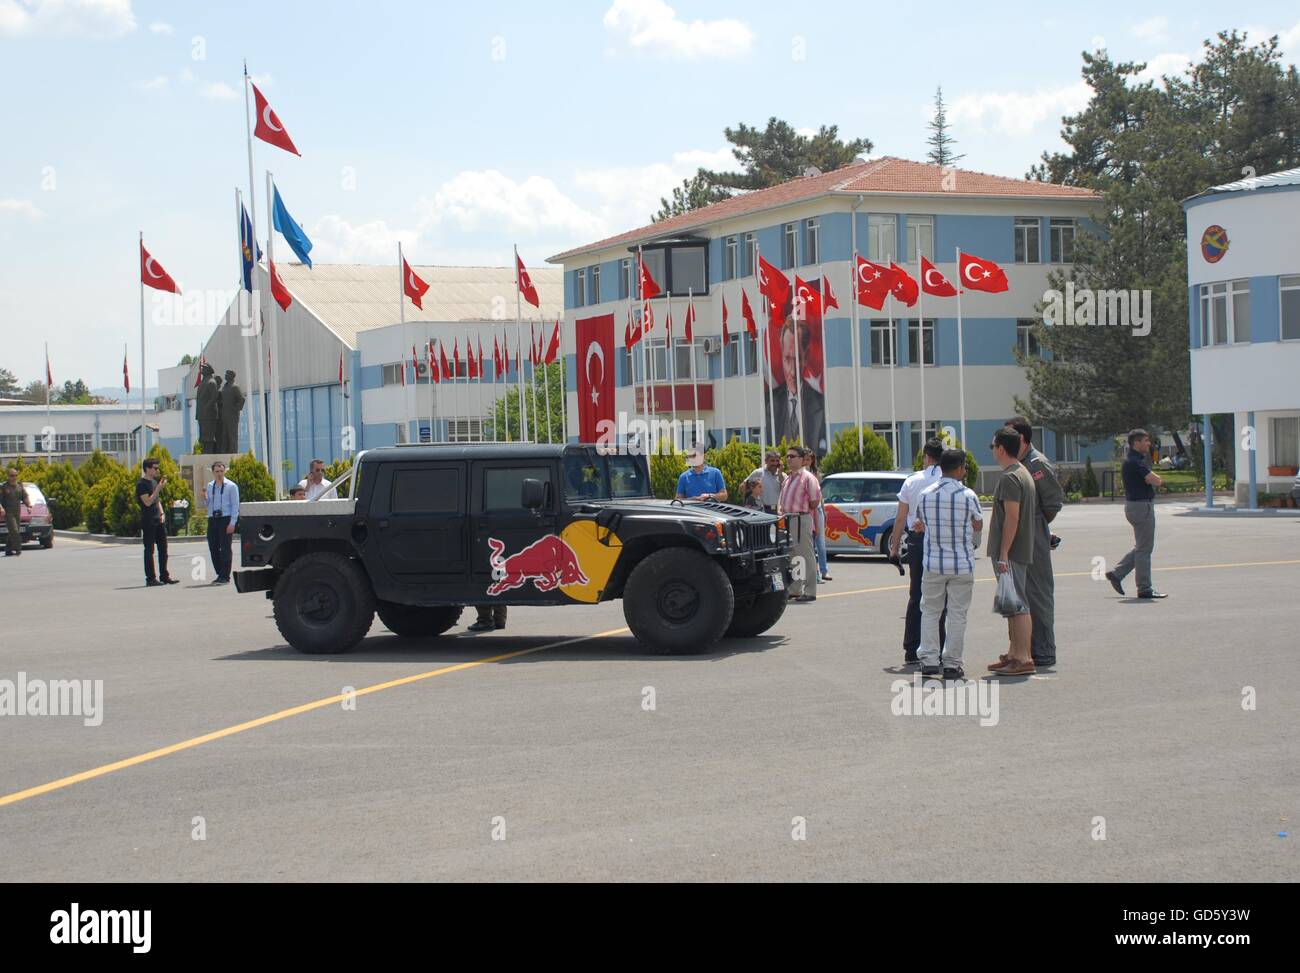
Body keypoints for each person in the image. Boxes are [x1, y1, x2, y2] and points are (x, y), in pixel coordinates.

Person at [913, 449, 983, 679]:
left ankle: (929, 660)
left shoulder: (925, 494)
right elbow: (978, 524)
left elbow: (920, 522)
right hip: (962, 563)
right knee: (957, 613)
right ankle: (952, 663)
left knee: (930, 611)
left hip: (933, 562)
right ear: (960, 468)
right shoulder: (969, 495)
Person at [1007, 416, 1064, 668]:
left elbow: (1052, 503)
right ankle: (1023, 650)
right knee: (1021, 595)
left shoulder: (1036, 464)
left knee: (1038, 594)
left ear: (1020, 438)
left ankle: (1043, 651)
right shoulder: (1017, 463)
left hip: (1034, 537)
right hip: (1020, 539)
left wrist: (1037, 526)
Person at [986, 427, 1037, 676]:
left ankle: (1023, 658)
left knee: (1018, 606)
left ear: (1001, 449)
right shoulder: (1021, 473)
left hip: (1012, 552)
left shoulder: (1009, 477)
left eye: (993, 446)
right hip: (1017, 550)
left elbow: (1012, 518)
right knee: (1013, 604)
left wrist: (1004, 551)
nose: (992, 451)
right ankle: (1014, 654)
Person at [891, 438, 946, 663]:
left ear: (925, 456)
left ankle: (912, 648)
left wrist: (895, 548)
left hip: (917, 540)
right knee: (942, 597)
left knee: (917, 595)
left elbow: (901, 517)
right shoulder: (947, 480)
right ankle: (941, 648)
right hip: (942, 541)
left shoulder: (912, 481)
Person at [1106, 428, 1167, 599]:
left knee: (1142, 546)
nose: (1148, 444)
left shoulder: (1134, 460)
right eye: (1145, 441)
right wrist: (1158, 478)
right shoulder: (1135, 461)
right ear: (1136, 443)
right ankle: (1144, 588)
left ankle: (1117, 573)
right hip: (1141, 507)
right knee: (1144, 549)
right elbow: (1154, 480)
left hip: (1135, 506)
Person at [767, 319, 827, 455]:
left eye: (797, 359)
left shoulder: (821, 404)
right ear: (781, 355)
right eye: (787, 359)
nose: (792, 371)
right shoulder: (769, 403)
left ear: (806, 357)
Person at [778, 446, 822, 602]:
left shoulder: (808, 478)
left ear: (802, 460)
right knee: (794, 556)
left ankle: (810, 591)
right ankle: (796, 589)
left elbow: (815, 501)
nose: (788, 459)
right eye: (787, 456)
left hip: (801, 518)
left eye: (792, 456)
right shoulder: (788, 478)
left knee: (806, 555)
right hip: (788, 519)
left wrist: (802, 512)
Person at [137, 458, 177, 587]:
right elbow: (147, 501)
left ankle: (164, 576)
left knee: (163, 549)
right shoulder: (141, 484)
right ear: (147, 469)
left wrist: (162, 512)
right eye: (155, 468)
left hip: (158, 519)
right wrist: (158, 488)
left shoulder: (154, 482)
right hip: (148, 520)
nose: (157, 470)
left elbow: (157, 501)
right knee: (149, 550)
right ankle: (150, 578)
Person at [204, 460, 240, 585]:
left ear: (224, 471)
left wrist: (233, 523)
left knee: (225, 547)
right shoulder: (210, 486)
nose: (219, 473)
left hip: (226, 518)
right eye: (217, 471)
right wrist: (206, 499)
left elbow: (235, 506)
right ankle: (220, 572)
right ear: (213, 472)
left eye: (221, 471)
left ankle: (225, 576)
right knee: (213, 546)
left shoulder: (231, 486)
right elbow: (208, 504)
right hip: (213, 518)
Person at [805, 450, 831, 581]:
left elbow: (819, 494)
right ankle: (813, 573)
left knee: (820, 541)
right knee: (810, 543)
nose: (808, 461)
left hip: (818, 509)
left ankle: (824, 570)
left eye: (810, 459)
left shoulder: (815, 473)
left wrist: (823, 512)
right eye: (806, 458)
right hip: (807, 510)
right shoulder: (799, 474)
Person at [2, 467, 31, 557]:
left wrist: (29, 506)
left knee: (14, 531)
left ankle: (8, 549)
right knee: (14, 530)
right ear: (8, 476)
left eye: (15, 475)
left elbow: (25, 496)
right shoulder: (4, 487)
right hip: (8, 512)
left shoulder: (19, 486)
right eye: (12, 476)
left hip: (17, 512)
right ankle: (18, 548)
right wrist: (1, 509)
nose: (14, 477)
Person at [218, 369, 245, 453]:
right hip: (224, 415)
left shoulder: (235, 387)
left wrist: (235, 409)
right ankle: (224, 453)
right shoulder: (225, 386)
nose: (225, 375)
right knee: (224, 435)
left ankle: (233, 453)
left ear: (231, 376)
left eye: (227, 374)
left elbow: (242, 399)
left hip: (232, 416)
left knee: (232, 435)